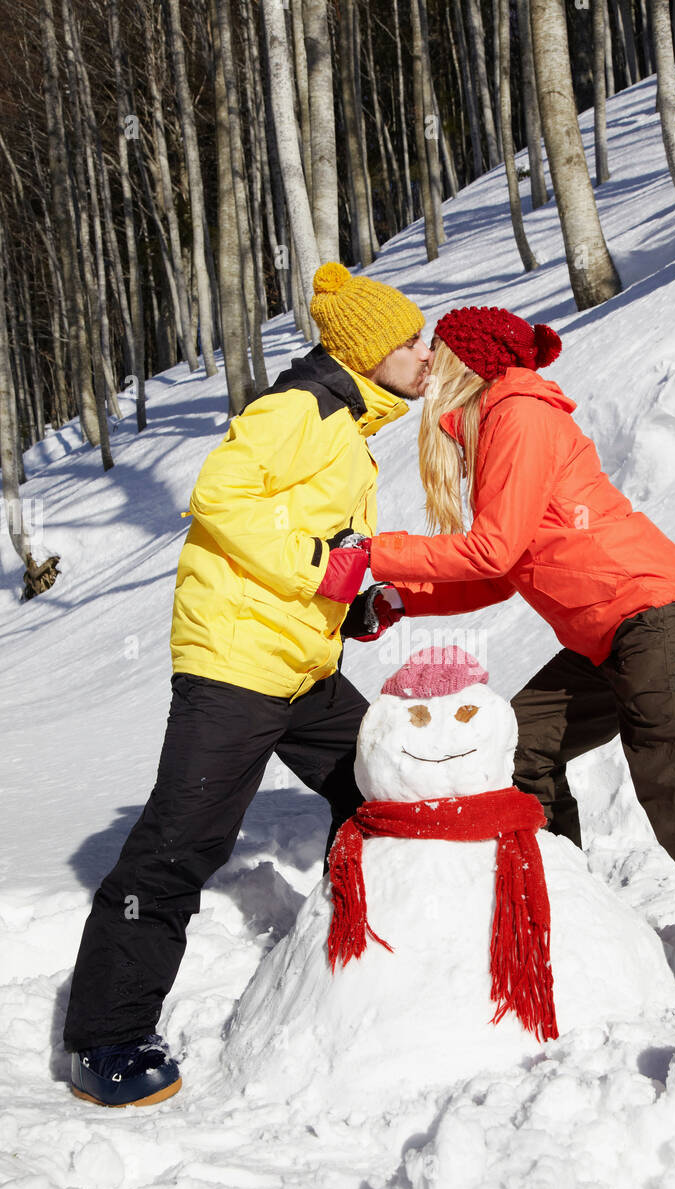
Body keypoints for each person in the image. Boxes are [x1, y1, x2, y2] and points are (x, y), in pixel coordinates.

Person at [63, 262, 432, 1107]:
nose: (425, 352)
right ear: (369, 350)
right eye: (411, 340)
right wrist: (319, 569)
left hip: (300, 669)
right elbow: (221, 496)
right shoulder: (299, 409)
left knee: (385, 780)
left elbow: (320, 540)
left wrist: (354, 603)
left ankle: (355, 943)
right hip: (235, 669)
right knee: (178, 845)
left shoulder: (347, 426)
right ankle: (106, 1036)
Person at [367, 306, 675, 977]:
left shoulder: (519, 416)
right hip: (608, 632)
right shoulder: (495, 423)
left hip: (650, 612)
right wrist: (397, 596)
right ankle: (572, 907)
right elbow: (501, 571)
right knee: (521, 745)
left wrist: (374, 553)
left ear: (464, 363)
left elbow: (491, 549)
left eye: (436, 353)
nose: (426, 366)